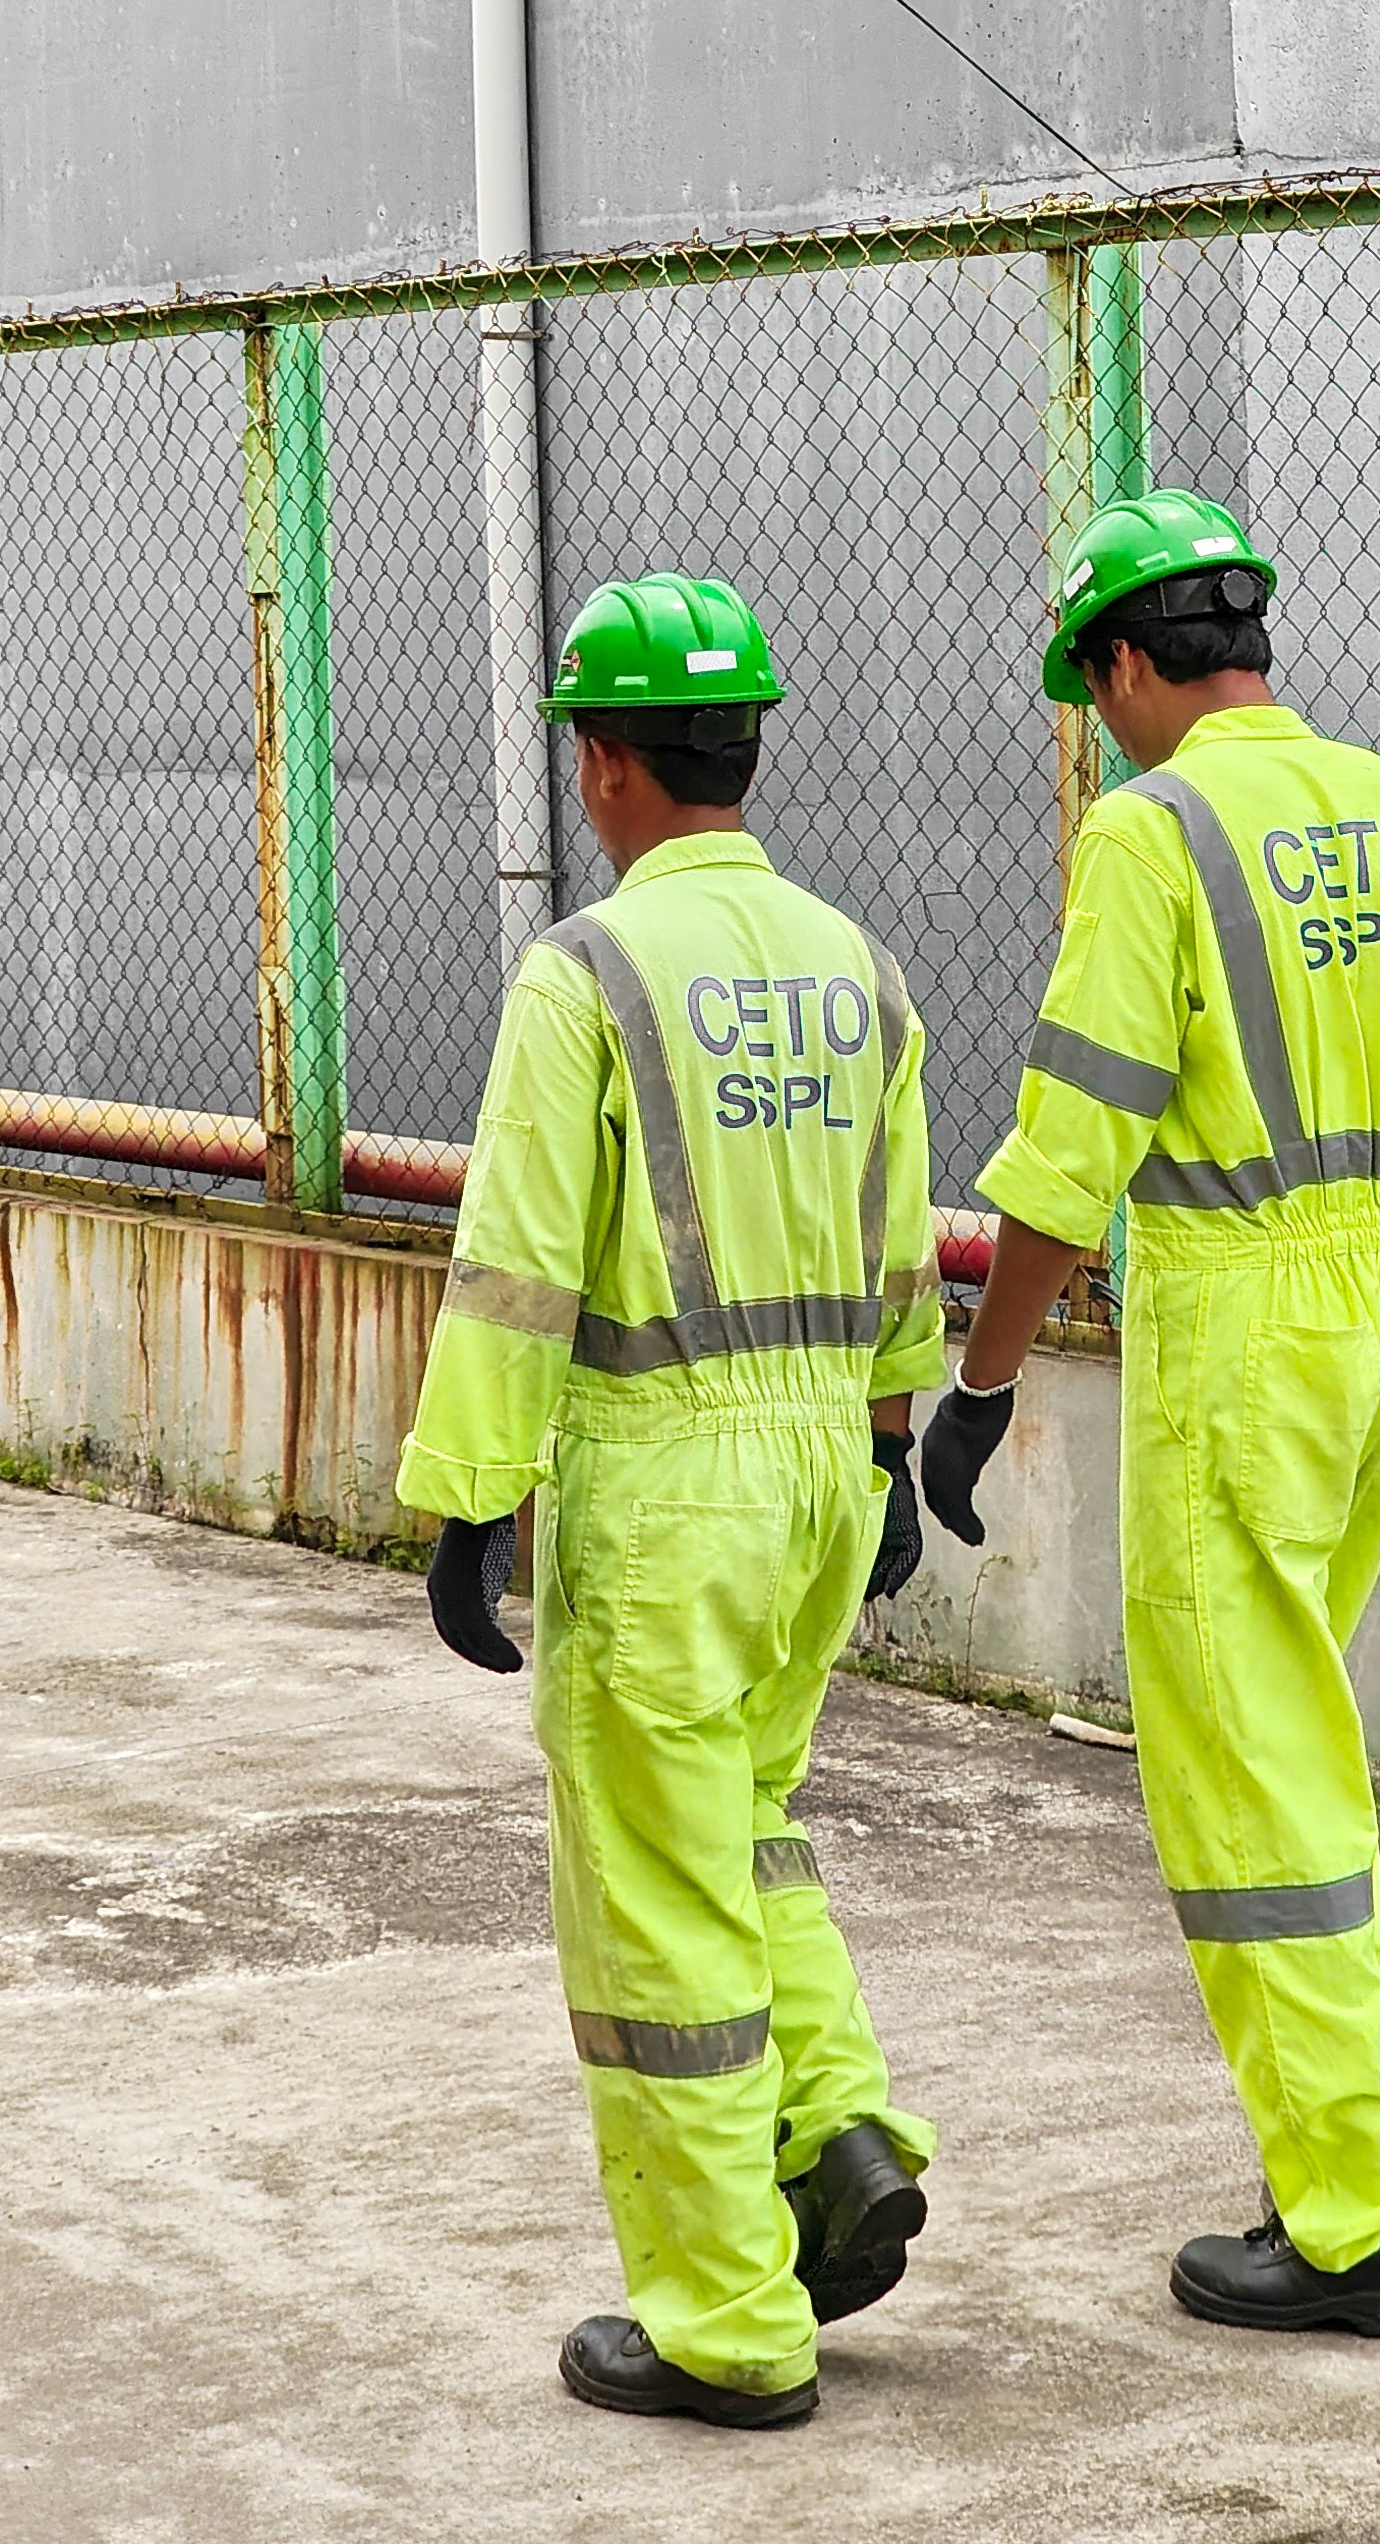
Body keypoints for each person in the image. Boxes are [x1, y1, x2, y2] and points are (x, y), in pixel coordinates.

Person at [920, 489, 1380, 2338]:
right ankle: (1361, 2148)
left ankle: (1362, 2220)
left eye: (1087, 685)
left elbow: (1070, 1142)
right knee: (1298, 1758)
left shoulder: (1152, 829)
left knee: (1248, 1788)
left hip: (1243, 1346)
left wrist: (982, 1378)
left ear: (1123, 661)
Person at [396, 569, 944, 2429]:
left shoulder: (588, 976)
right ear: (750, 745)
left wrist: (472, 1504)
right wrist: (884, 1453)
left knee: (654, 1902)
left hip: (663, 1485)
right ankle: (835, 2121)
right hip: (813, 1478)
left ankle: (725, 2316)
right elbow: (901, 1254)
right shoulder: (858, 966)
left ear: (602, 766)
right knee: (750, 1824)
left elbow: (517, 1267)